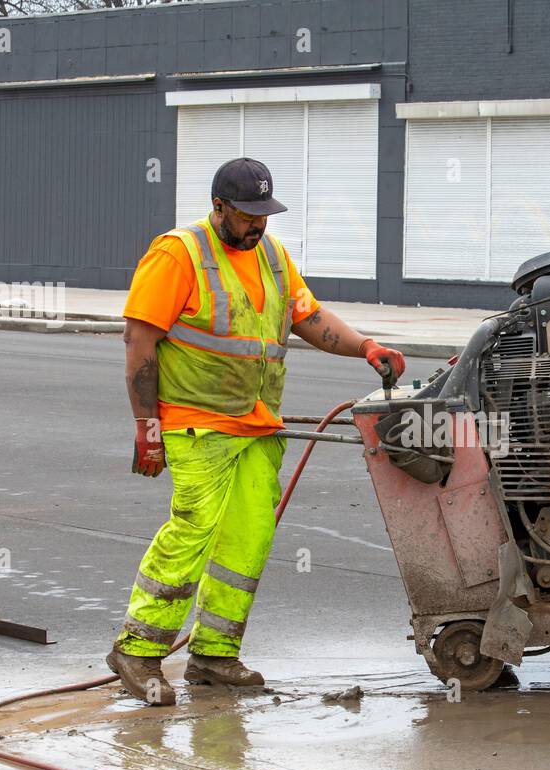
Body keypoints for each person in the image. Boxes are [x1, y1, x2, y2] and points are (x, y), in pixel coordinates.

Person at [107, 157, 404, 705]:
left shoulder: (270, 254)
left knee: (248, 540)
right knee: (193, 531)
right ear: (219, 206)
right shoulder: (179, 253)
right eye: (247, 216)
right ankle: (139, 648)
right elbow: (139, 342)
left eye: (264, 215)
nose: (258, 225)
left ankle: (214, 655)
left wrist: (366, 346)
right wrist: (147, 427)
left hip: (256, 425)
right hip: (198, 424)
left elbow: (309, 318)